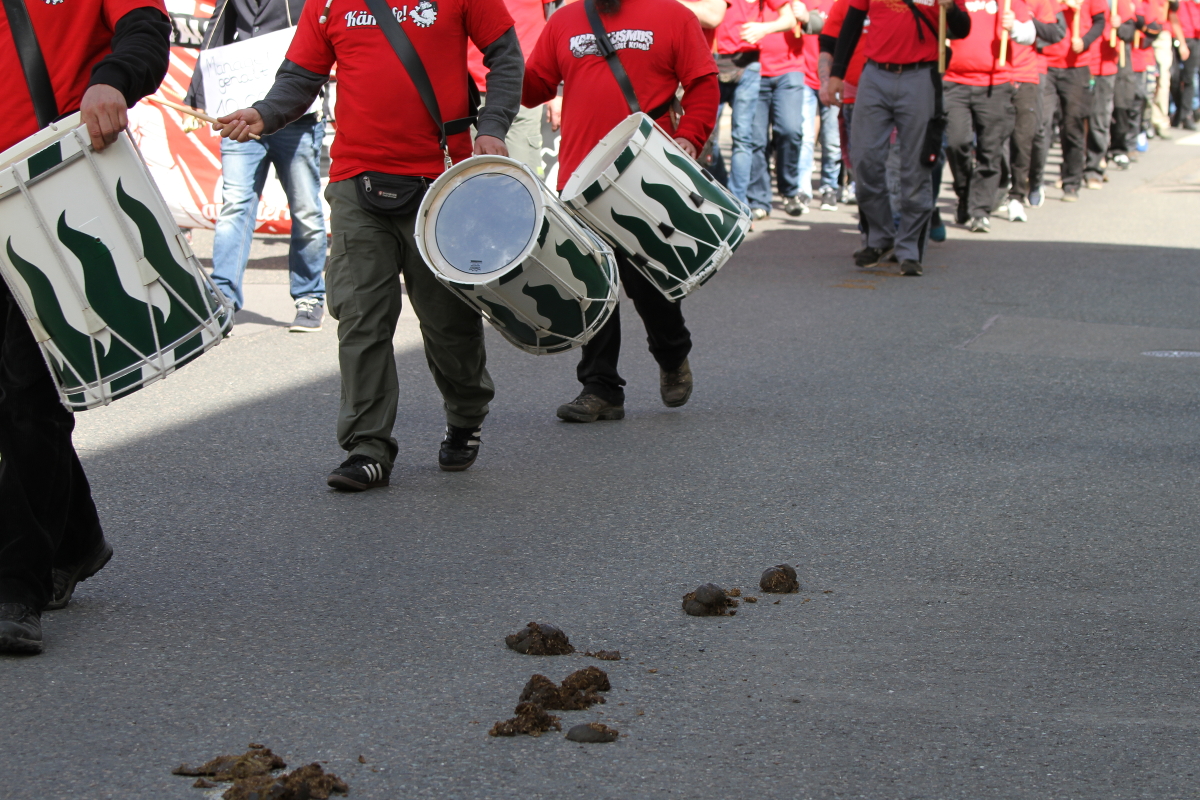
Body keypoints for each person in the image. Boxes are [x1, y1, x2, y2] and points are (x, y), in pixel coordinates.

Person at [213, 0, 523, 490]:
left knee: (448, 324)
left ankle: (466, 412)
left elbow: (505, 55)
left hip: (442, 183)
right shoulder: (329, 3)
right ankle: (368, 447)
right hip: (356, 182)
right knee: (361, 316)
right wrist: (264, 114)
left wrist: (492, 126)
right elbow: (299, 77)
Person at [0, 0, 171, 654]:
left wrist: (113, 78)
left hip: (53, 191)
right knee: (8, 397)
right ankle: (76, 538)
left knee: (28, 395)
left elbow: (146, 27)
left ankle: (16, 584)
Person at [522, 0, 719, 423]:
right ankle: (600, 388)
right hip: (579, 180)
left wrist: (690, 138)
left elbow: (703, 83)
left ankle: (672, 355)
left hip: (644, 173)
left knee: (648, 284)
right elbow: (534, 85)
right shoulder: (565, 19)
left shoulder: (674, 16)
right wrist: (493, 61)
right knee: (590, 283)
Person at [184, 0, 330, 332]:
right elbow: (216, 29)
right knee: (235, 206)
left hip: (296, 116)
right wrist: (194, 98)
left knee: (305, 210)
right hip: (240, 109)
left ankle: (309, 297)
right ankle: (224, 299)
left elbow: (319, 32)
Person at [828, 0, 971, 276]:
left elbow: (962, 29)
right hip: (874, 74)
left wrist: (951, 8)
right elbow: (852, 23)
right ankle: (879, 239)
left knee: (916, 168)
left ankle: (909, 249)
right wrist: (837, 73)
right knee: (864, 160)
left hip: (920, 75)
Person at [943, 0, 1031, 233]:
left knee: (990, 151)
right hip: (954, 82)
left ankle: (980, 210)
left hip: (996, 84)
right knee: (956, 142)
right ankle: (964, 192)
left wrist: (1014, 28)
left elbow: (1029, 35)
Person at [468, 0, 558, 173]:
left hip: (523, 89)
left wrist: (559, 88)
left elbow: (559, 19)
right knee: (474, 177)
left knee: (523, 177)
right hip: (471, 94)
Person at [1034, 0, 1105, 201]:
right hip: (1045, 63)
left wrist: (1085, 41)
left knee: (1072, 125)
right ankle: (1034, 180)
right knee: (1042, 124)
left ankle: (1071, 181)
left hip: (1076, 65)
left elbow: (1100, 21)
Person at [1000, 0, 1065, 219]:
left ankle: (1034, 181)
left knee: (1035, 131)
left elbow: (1055, 33)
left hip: (1034, 71)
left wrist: (1026, 23)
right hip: (1000, 72)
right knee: (1000, 134)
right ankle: (1005, 187)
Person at [751, 0, 811, 216]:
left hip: (789, 68)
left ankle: (789, 190)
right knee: (756, 139)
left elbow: (822, 20)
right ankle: (759, 199)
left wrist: (807, 16)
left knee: (790, 129)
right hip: (753, 69)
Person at [1083, 0, 1136, 189]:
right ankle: (1071, 170)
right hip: (1077, 65)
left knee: (1099, 119)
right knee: (1073, 121)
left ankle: (1094, 168)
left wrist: (1119, 26)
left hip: (1105, 68)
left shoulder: (1115, 2)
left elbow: (1130, 32)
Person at [798, 0, 841, 212]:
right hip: (805, 79)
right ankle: (803, 189)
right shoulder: (800, 3)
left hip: (833, 80)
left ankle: (829, 187)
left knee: (832, 139)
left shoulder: (840, 4)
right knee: (805, 138)